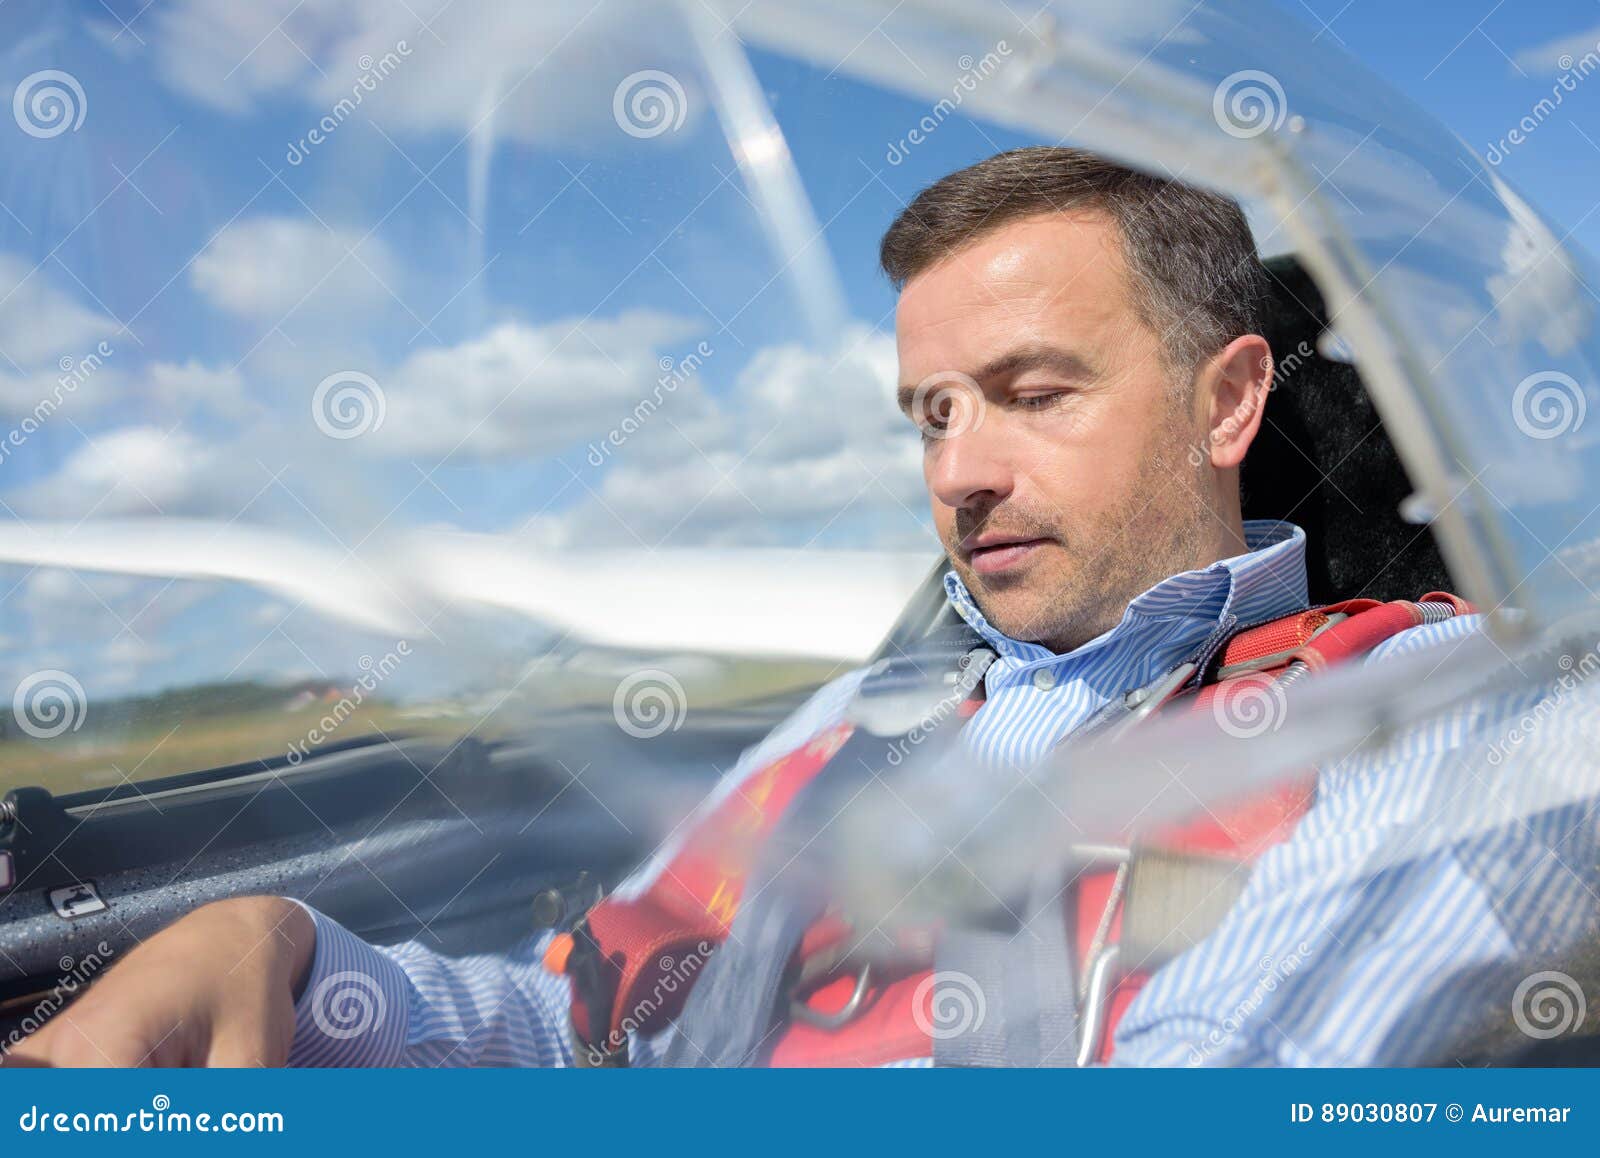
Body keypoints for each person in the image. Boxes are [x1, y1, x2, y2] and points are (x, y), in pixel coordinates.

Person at [12, 147, 1589, 1068]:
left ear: (1229, 398)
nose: (960, 474)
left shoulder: (1437, 714)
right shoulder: (868, 715)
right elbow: (592, 1022)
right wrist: (291, 960)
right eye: (931, 413)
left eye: (1032, 394)